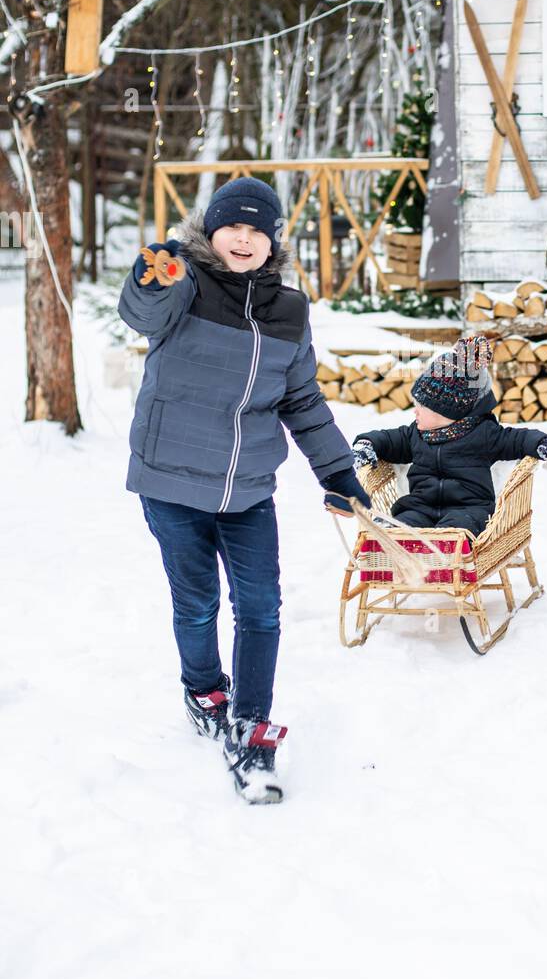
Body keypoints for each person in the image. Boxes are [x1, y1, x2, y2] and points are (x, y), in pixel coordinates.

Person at [117, 176, 370, 804]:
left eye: (258, 229)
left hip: (248, 487)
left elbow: (302, 398)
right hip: (172, 480)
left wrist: (337, 472)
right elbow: (141, 313)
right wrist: (152, 278)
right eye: (233, 225)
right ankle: (205, 690)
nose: (244, 237)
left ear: (273, 240)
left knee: (261, 609)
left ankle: (252, 724)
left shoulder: (290, 310)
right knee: (198, 600)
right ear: (212, 229)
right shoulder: (186, 283)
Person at [351, 335, 547, 536]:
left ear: (448, 412)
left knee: (454, 533)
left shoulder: (484, 434)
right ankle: (396, 549)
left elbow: (517, 439)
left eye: (422, 407)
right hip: (420, 507)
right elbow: (387, 440)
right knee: (402, 526)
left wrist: (542, 444)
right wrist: (366, 443)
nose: (415, 411)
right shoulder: (415, 433)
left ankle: (446, 564)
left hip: (469, 510)